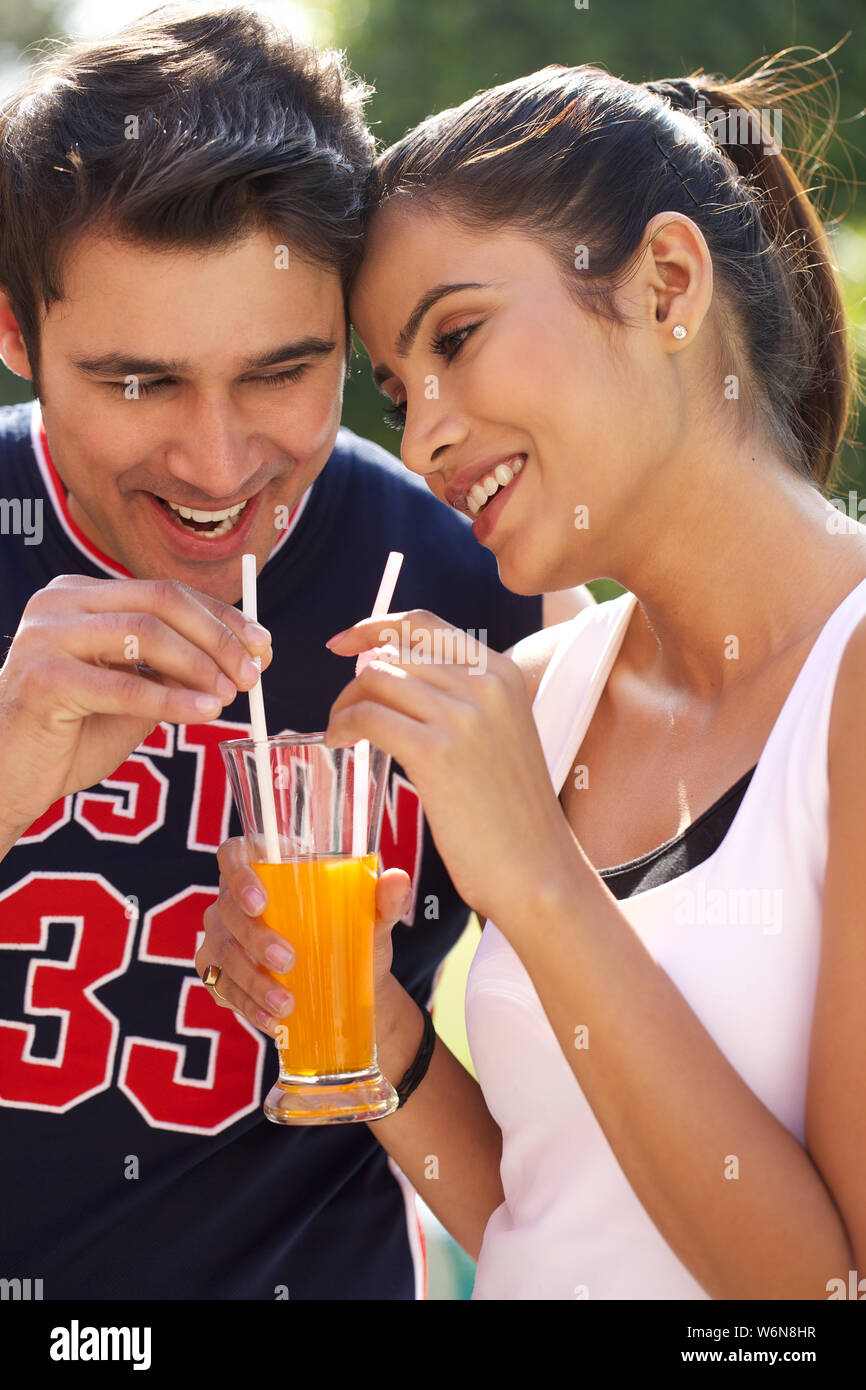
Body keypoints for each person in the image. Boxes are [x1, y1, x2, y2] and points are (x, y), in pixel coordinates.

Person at [205, 60, 866, 1299]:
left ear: (666, 284)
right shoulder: (540, 689)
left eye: (456, 338)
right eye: (395, 392)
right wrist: (360, 1020)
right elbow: (553, 1209)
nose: (420, 438)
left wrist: (538, 879)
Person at [0, 6, 592, 1301]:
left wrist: (377, 1030)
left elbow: (586, 1203)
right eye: (139, 382)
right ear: (12, 333)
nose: (218, 468)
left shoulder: (487, 586)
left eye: (284, 370)